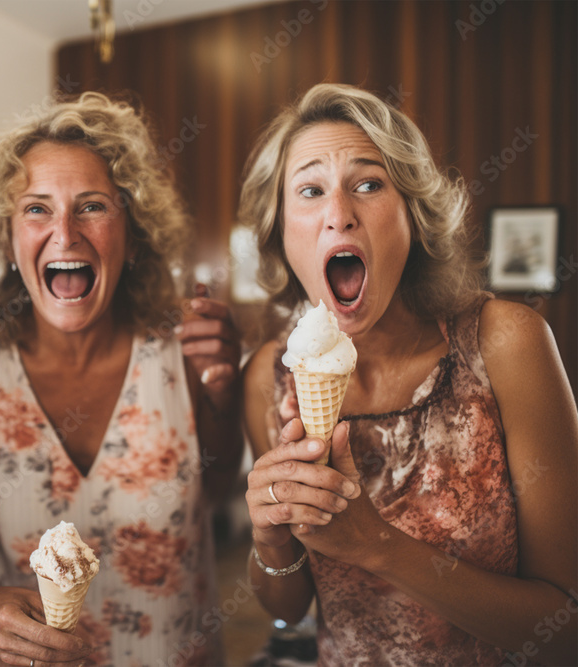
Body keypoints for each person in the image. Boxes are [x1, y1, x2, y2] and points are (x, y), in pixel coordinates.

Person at [239, 83, 578, 665]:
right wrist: (269, 539)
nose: (338, 215)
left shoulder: (507, 343)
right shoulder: (270, 378)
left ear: (413, 216)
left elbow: (565, 629)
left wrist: (375, 545)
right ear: (280, 233)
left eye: (368, 185)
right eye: (310, 191)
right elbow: (289, 609)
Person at [0, 92, 244, 666]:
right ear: (8, 237)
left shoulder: (181, 341)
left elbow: (210, 494)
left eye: (92, 206)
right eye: (36, 208)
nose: (64, 234)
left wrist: (224, 395)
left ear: (133, 236)